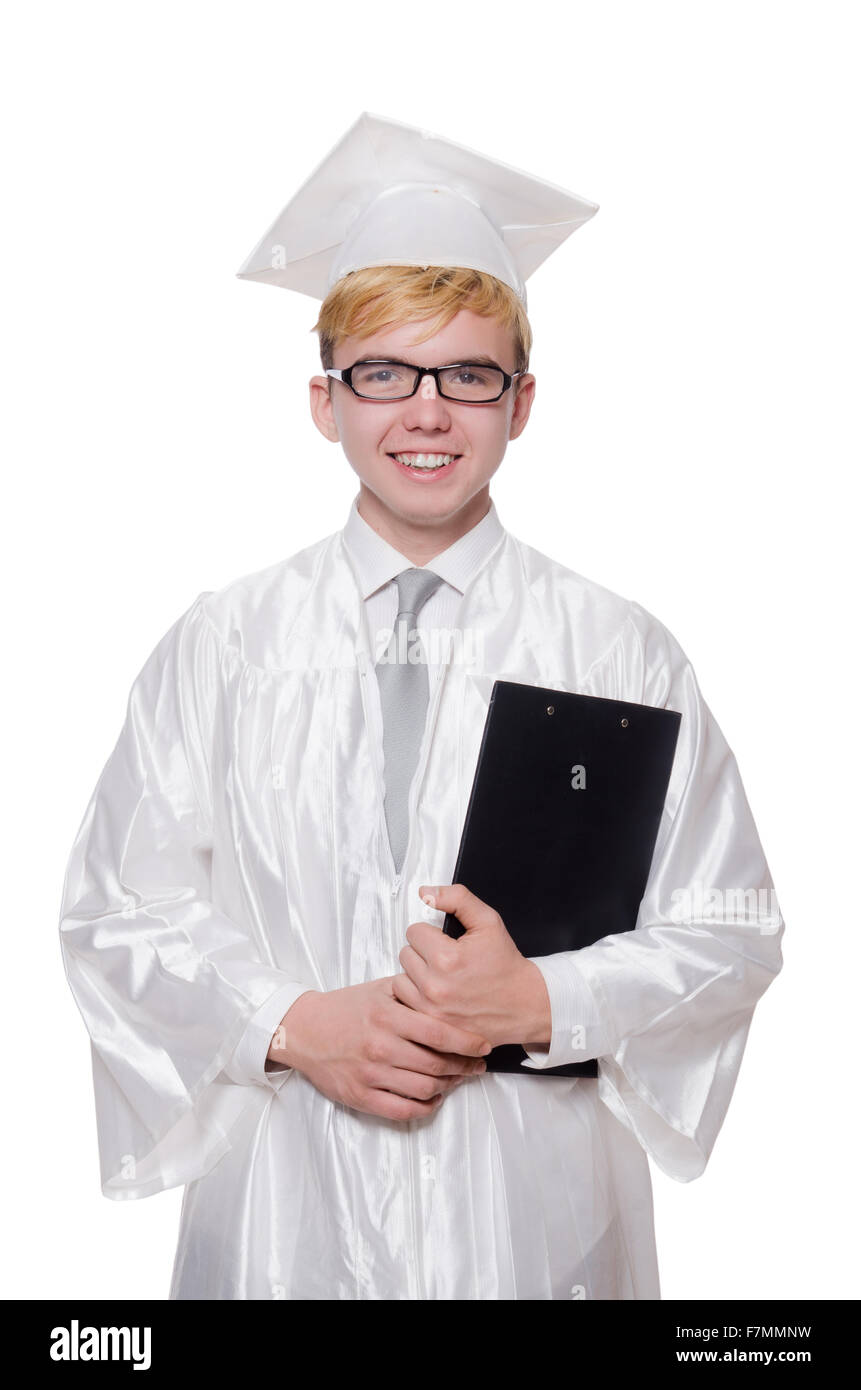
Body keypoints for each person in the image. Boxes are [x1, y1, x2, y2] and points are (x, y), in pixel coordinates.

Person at [58, 113, 784, 1300]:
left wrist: (549, 997)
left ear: (524, 400)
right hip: (286, 1213)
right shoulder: (227, 644)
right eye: (384, 373)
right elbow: (114, 912)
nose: (427, 413)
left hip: (533, 1222)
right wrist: (288, 1023)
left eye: (469, 374)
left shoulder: (619, 652)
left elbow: (729, 928)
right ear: (325, 400)